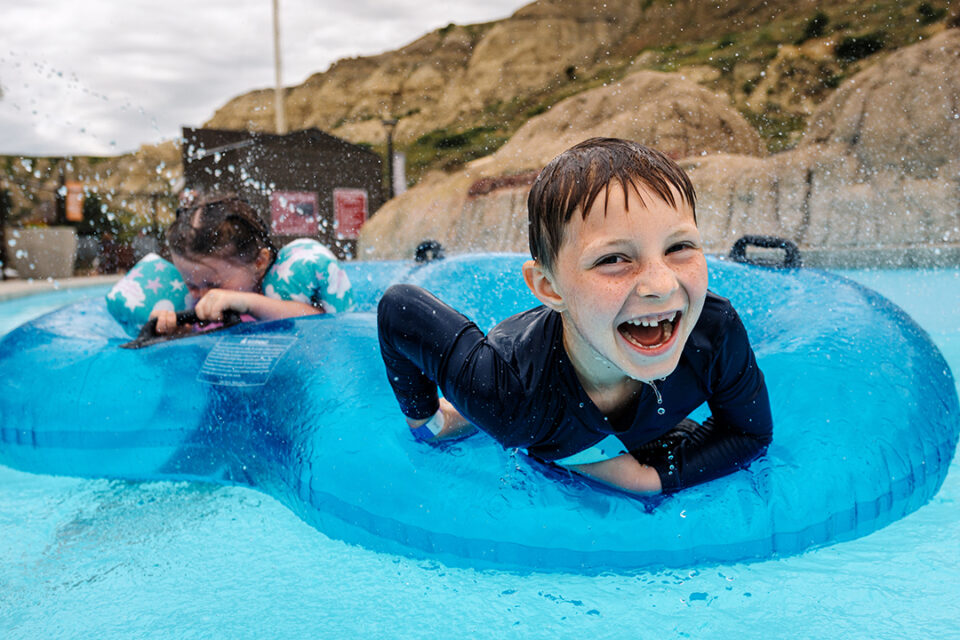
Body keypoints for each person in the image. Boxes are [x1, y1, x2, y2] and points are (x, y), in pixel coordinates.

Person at [377, 137, 772, 495]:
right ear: (548, 287)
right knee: (455, 424)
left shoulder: (713, 332)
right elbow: (400, 309)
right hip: (533, 367)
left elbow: (748, 433)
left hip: (588, 335)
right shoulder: (509, 394)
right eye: (613, 258)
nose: (662, 284)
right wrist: (428, 420)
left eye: (679, 246)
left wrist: (651, 479)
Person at [105, 194, 353, 334]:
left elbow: (321, 323)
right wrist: (174, 332)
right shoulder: (197, 310)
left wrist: (248, 303)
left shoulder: (282, 297)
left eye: (213, 284)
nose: (203, 296)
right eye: (191, 285)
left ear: (259, 261)